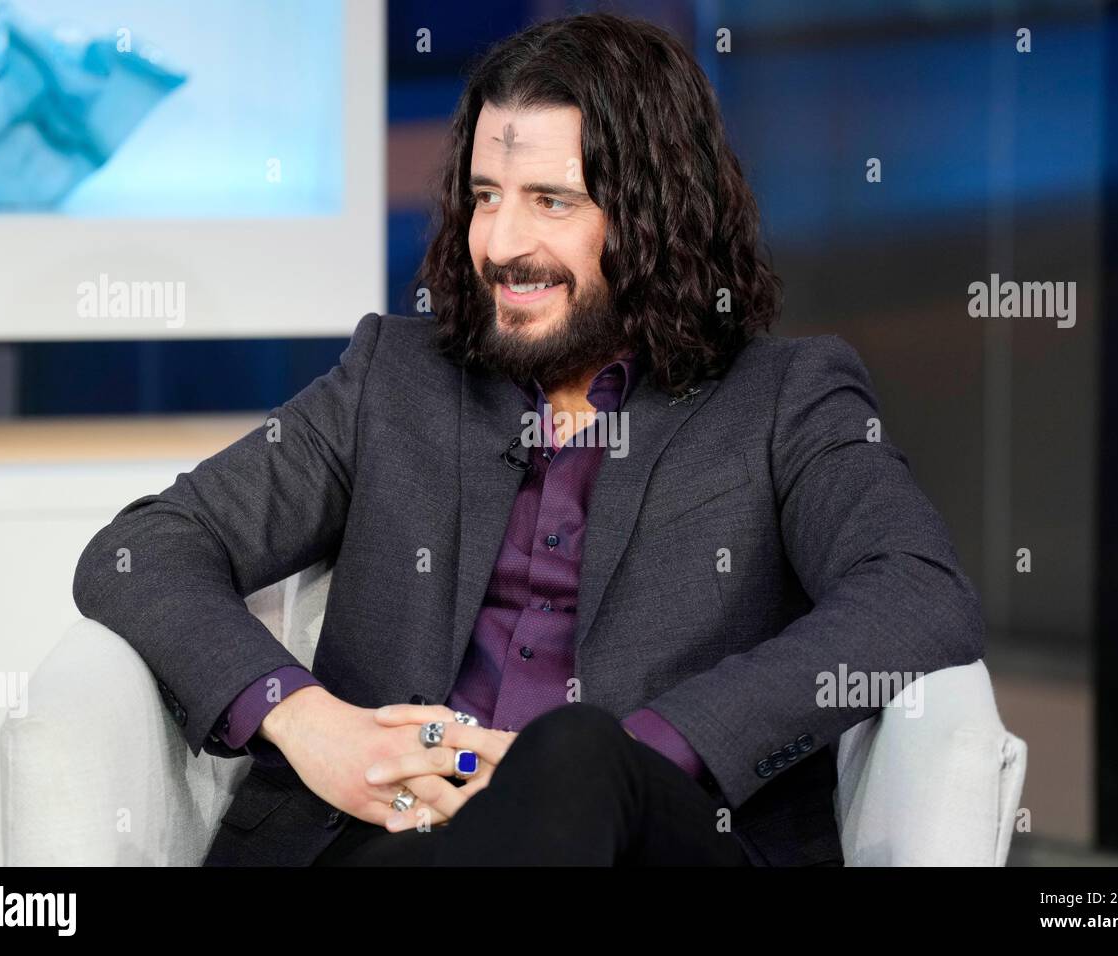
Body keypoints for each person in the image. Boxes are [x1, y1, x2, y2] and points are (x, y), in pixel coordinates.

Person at [73, 12, 984, 867]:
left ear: (656, 216)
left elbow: (915, 593)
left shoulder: (785, 397)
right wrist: (306, 718)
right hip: (392, 840)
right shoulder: (392, 377)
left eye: (551, 201)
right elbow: (141, 550)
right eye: (485, 196)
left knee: (577, 754)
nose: (501, 242)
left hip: (652, 842)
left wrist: (637, 758)